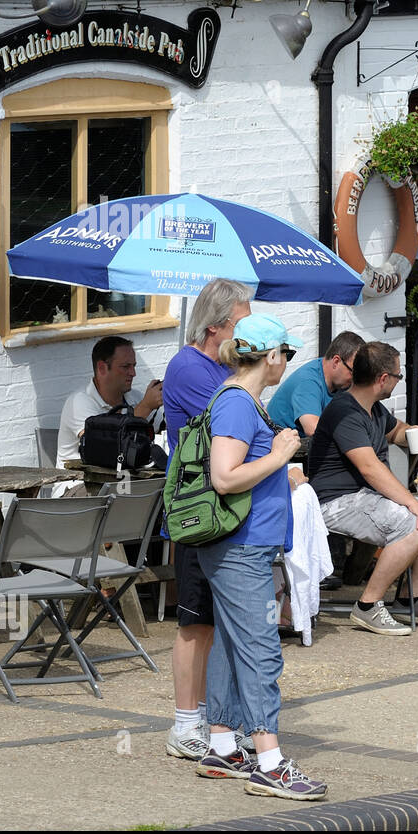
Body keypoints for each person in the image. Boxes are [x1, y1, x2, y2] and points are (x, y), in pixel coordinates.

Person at [193, 312, 325, 800]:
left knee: (231, 644)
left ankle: (224, 746)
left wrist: (275, 465)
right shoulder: (236, 404)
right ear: (271, 356)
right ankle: (269, 763)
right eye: (286, 355)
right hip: (239, 547)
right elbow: (224, 477)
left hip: (245, 543)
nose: (287, 363)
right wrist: (281, 455)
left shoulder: (244, 400)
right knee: (262, 651)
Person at [310, 342, 418, 635]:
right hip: (336, 501)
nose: (397, 381)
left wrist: (411, 432)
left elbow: (394, 430)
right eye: (397, 376)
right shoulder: (344, 412)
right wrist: (413, 503)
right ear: (383, 379)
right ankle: (368, 605)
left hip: (367, 498)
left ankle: (409, 599)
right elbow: (369, 467)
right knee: (415, 522)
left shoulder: (374, 409)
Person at [160, 278, 252, 762]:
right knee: (195, 622)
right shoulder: (190, 369)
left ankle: (216, 720)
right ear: (215, 327)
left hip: (222, 510)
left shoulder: (219, 367)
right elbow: (237, 421)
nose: (249, 331)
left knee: (217, 623)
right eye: (243, 322)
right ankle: (185, 724)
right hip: (199, 512)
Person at [56, 335, 164, 469]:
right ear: (102, 368)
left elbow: (165, 429)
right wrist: (146, 406)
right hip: (79, 484)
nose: (133, 373)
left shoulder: (135, 397)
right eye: (126, 366)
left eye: (134, 366)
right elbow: (104, 447)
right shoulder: (79, 402)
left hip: (124, 482)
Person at [266, 331, 364, 436]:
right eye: (353, 372)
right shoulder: (308, 382)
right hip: (279, 442)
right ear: (336, 361)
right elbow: (313, 429)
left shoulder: (338, 377)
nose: (355, 379)